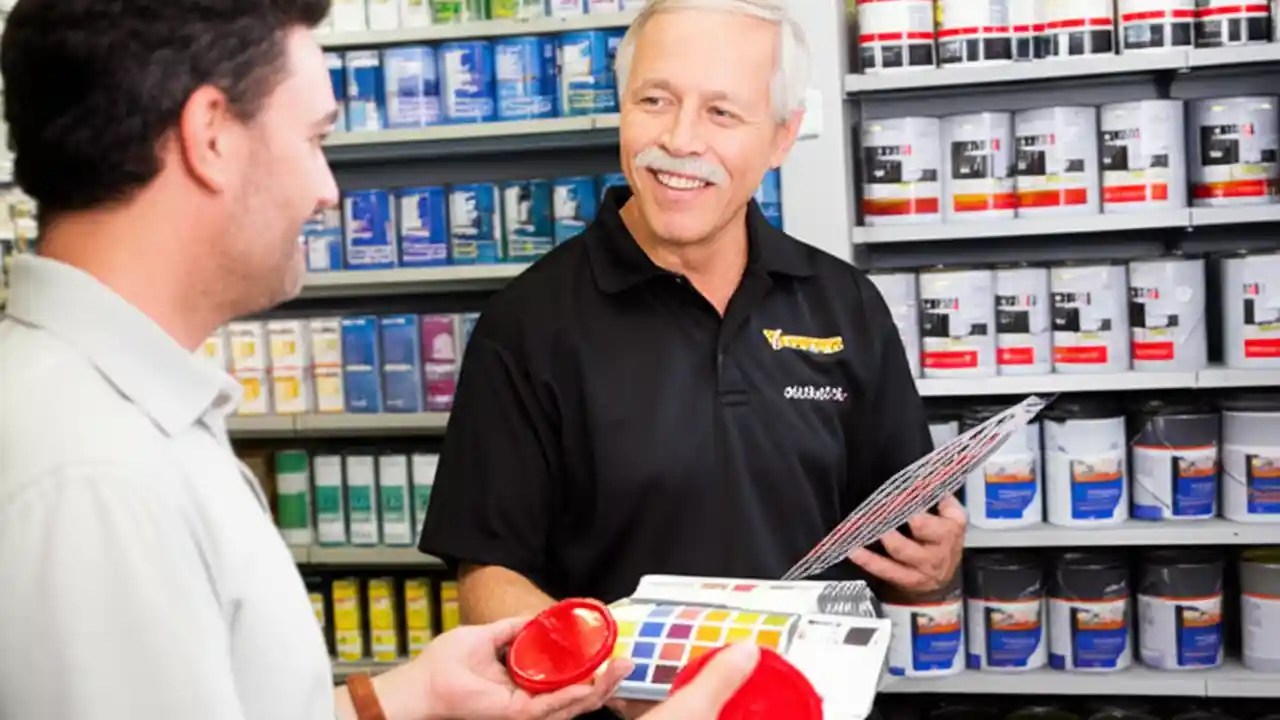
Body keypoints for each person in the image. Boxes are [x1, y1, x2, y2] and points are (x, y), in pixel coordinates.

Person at [0, 1, 756, 718]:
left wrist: (396, 699)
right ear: (212, 138)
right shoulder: (96, 480)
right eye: (315, 138)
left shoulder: (112, 416)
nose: (327, 191)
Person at [419, 1, 966, 713]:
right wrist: (607, 681)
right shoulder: (526, 323)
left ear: (781, 137)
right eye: (656, 100)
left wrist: (935, 570)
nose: (679, 140)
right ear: (622, 110)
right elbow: (488, 576)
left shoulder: (844, 304)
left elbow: (898, 551)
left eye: (722, 113)